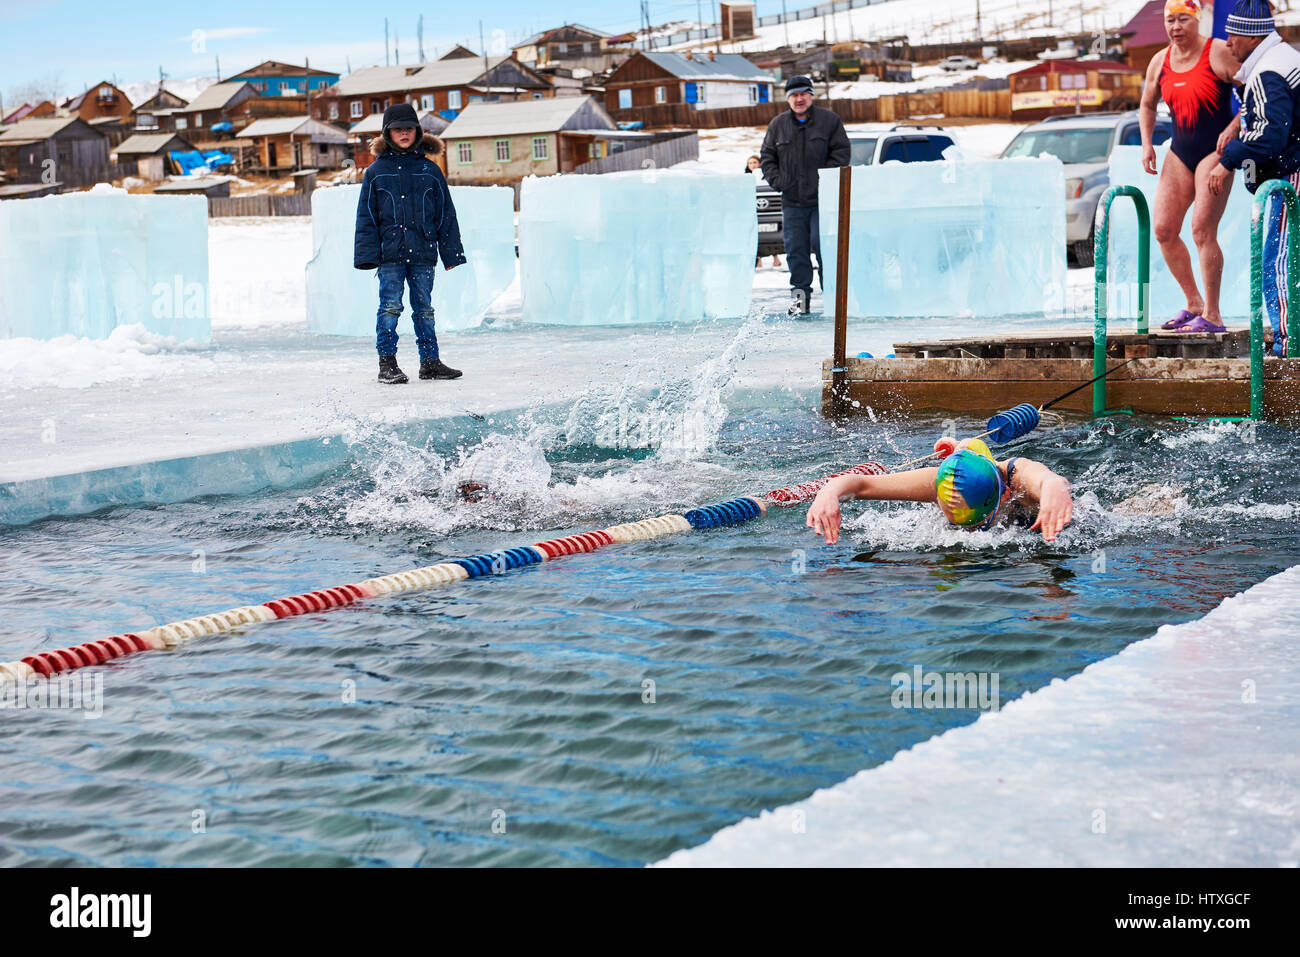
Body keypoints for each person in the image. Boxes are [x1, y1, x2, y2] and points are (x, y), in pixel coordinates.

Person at [1139, 0, 1241, 334]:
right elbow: (1146, 104)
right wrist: (1146, 143)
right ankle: (1193, 302)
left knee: (1201, 230)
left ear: (1197, 20)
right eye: (1170, 20)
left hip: (1215, 151)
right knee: (1164, 230)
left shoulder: (1218, 52)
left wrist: (1234, 128)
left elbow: (1256, 94)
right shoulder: (1160, 61)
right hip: (1180, 152)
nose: (1176, 26)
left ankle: (1213, 315)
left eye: (1183, 18)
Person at [1210, 0, 1300, 357]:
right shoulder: (1284, 57)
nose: (1229, 42)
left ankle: (1289, 345)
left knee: (1277, 263)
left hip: (1291, 177)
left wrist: (1227, 160)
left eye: (1233, 34)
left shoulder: (1267, 72)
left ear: (1250, 36)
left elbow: (1270, 135)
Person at [354, 103, 466, 384]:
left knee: (425, 309)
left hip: (423, 253)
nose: (403, 133)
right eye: (397, 129)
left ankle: (430, 363)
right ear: (387, 133)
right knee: (390, 307)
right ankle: (387, 364)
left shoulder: (430, 170)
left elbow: (445, 214)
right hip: (390, 255)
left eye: (409, 128)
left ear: (417, 131)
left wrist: (450, 253)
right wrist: (368, 255)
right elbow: (365, 218)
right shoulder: (375, 172)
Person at [805, 437, 1074, 544]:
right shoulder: (937, 482)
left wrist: (1054, 488)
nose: (967, 533)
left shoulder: (1019, 478)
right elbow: (859, 484)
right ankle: (961, 446)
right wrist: (827, 494)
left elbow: (1049, 481)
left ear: (1004, 495)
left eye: (979, 525)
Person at [760, 75, 850, 316]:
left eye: (803, 94)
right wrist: (779, 182)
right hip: (792, 203)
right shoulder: (778, 125)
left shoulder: (829, 121)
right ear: (788, 98)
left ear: (811, 95)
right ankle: (800, 303)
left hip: (823, 203)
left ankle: (834, 301)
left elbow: (841, 153)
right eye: (794, 95)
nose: (799, 99)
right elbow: (767, 158)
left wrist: (825, 181)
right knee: (796, 252)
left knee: (826, 251)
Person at [745, 154, 782, 269]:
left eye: (754, 162)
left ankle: (776, 258)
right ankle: (758, 259)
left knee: (773, 236)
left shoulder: (766, 175)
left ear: (760, 163)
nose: (753, 165)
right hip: (754, 212)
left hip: (771, 210)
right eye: (750, 163)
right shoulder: (745, 178)